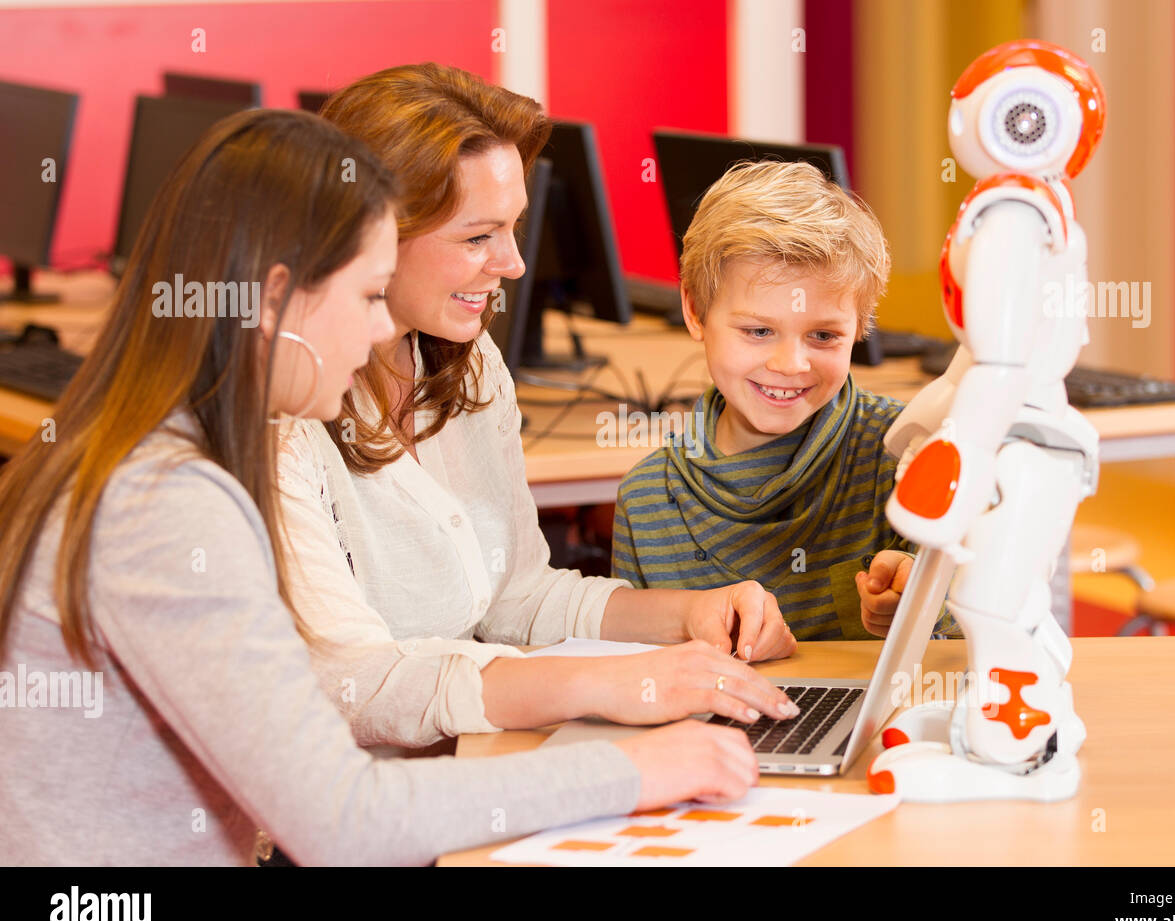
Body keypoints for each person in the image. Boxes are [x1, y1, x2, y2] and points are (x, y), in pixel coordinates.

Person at [0, 110, 758, 867]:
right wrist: (634, 770)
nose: (375, 336)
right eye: (368, 297)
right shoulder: (166, 505)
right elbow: (346, 821)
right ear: (273, 301)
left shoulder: (144, 449)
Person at [273, 62, 798, 758]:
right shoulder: (282, 414)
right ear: (368, 234)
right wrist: (601, 685)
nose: (513, 262)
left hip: (465, 767)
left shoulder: (468, 363)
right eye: (476, 237)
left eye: (514, 228)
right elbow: (352, 682)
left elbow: (515, 598)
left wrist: (690, 616)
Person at [612, 160, 960, 641]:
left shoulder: (904, 452)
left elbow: (967, 643)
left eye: (823, 335)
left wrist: (924, 602)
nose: (791, 364)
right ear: (694, 311)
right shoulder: (646, 501)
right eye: (758, 331)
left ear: (859, 329)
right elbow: (636, 672)